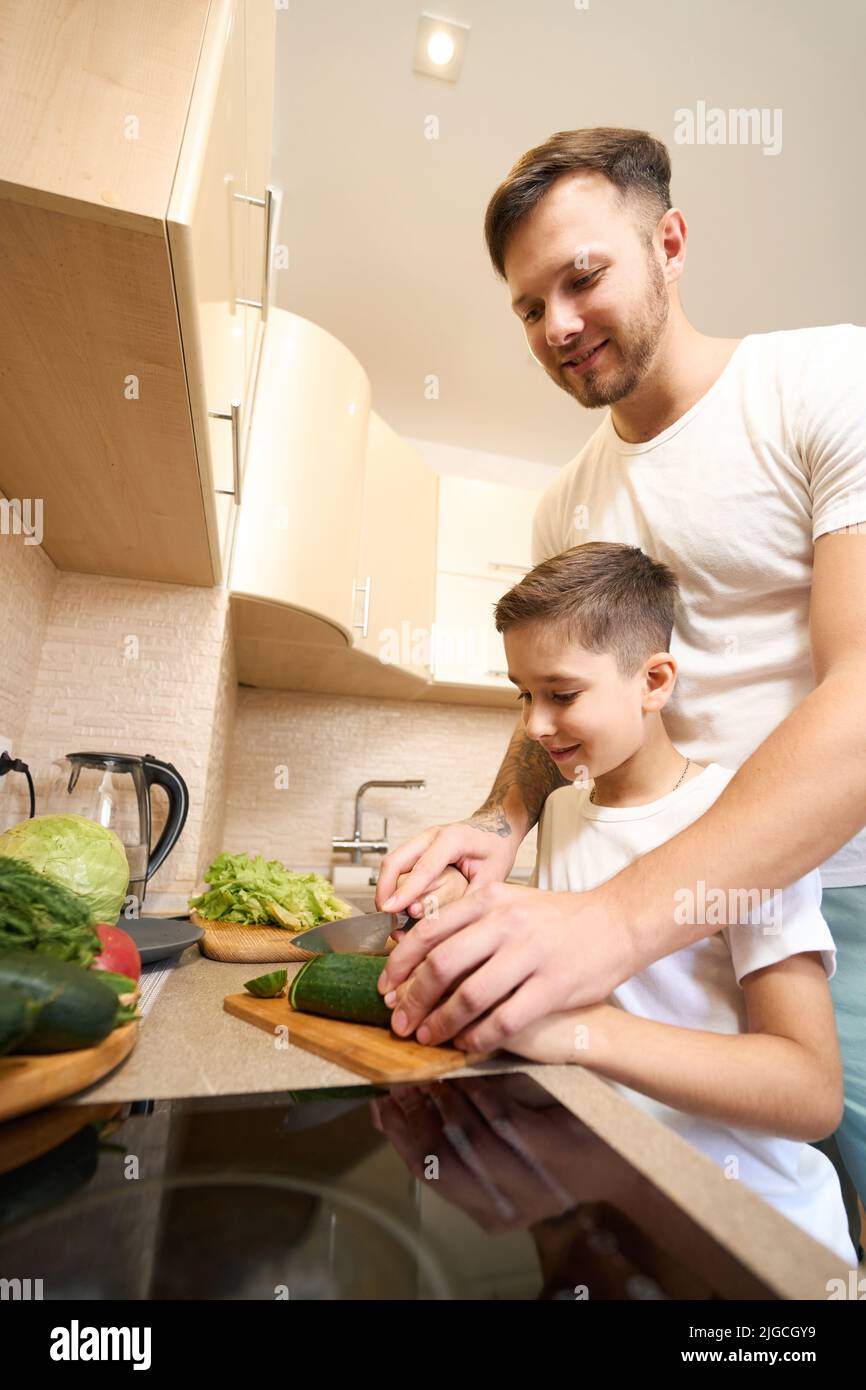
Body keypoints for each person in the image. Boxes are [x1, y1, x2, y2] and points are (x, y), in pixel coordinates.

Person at [373, 127, 866, 1255]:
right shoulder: (565, 503)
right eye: (525, 305)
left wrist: (611, 922)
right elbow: (553, 702)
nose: (554, 325)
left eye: (581, 276)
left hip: (825, 900)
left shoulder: (822, 383)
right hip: (656, 920)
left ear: (669, 242)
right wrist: (500, 822)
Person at [482, 540, 856, 1265]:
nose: (533, 726)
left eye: (561, 694)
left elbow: (811, 1093)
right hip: (622, 1212)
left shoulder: (743, 827)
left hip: (755, 1231)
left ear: (654, 681)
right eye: (522, 695)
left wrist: (579, 1032)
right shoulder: (562, 814)